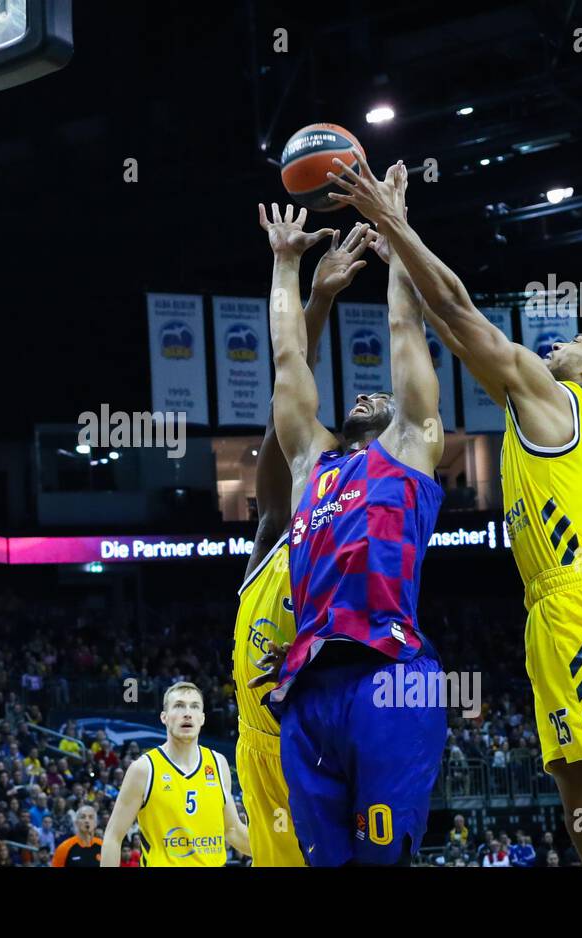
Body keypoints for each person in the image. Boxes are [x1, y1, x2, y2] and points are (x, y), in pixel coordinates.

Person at [326, 152, 582, 867]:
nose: (557, 342)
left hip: (579, 609)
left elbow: (462, 313)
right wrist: (400, 256)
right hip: (549, 618)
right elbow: (432, 330)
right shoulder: (536, 404)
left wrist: (396, 223)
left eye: (576, 342)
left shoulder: (558, 398)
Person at [255, 185, 448, 867]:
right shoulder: (312, 463)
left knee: (385, 861)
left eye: (383, 393)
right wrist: (285, 264)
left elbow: (404, 331)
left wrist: (397, 242)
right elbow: (286, 363)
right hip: (309, 690)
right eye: (359, 393)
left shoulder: (413, 447)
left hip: (392, 676)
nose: (370, 391)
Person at [231, 219, 364, 867]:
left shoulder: (379, 533)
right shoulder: (284, 524)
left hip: (332, 744)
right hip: (262, 747)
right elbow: (289, 376)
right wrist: (315, 298)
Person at [101, 682, 249, 867]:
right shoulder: (144, 769)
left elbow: (233, 830)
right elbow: (113, 837)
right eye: (179, 706)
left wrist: (282, 845)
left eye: (194, 706)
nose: (187, 713)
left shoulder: (218, 763)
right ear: (164, 717)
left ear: (202, 718)